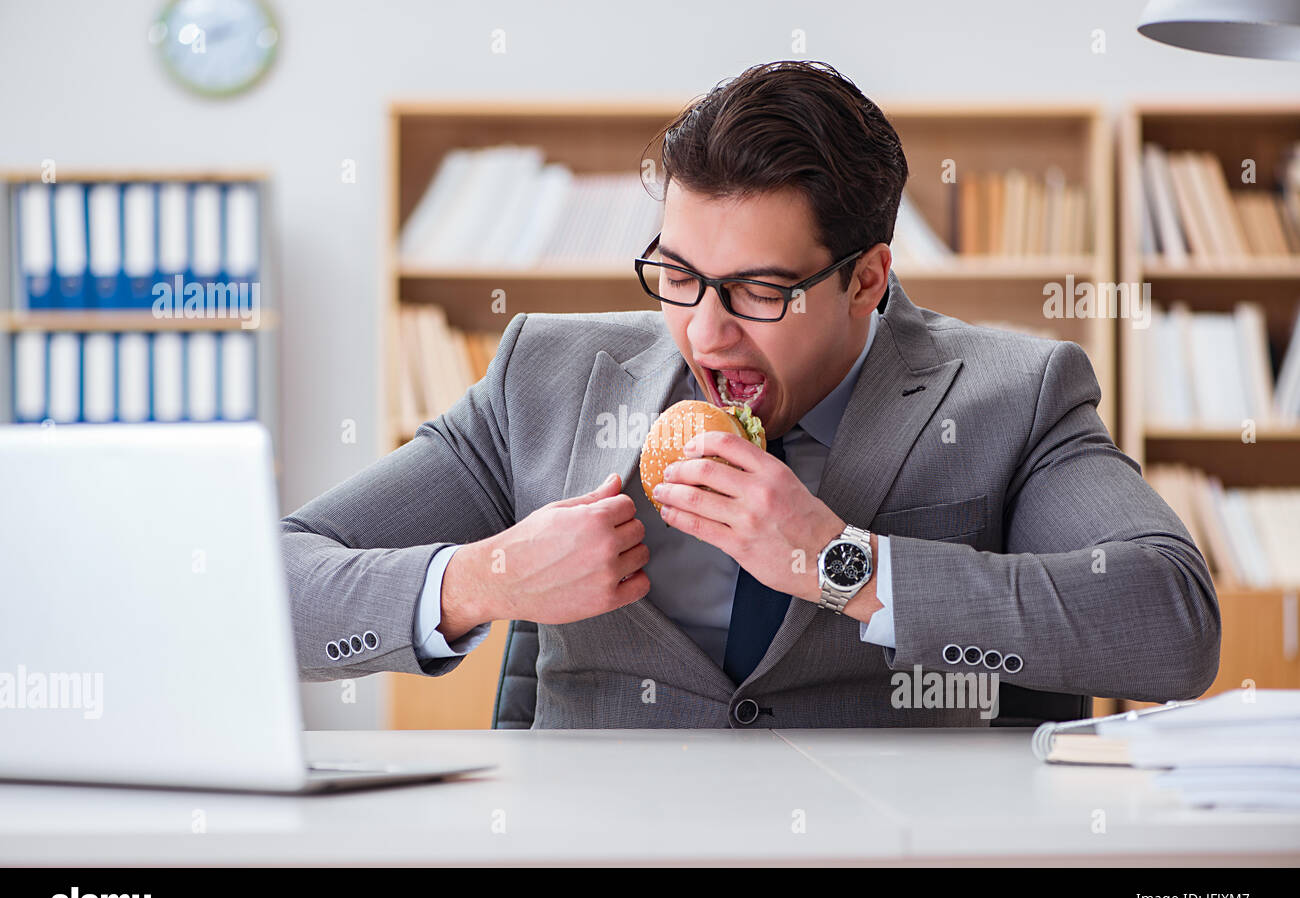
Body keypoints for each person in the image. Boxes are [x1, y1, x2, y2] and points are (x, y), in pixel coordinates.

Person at [281, 60, 1219, 729]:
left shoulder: (1015, 393)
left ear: (868, 278)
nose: (705, 330)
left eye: (761, 291)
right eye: (678, 275)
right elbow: (272, 584)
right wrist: (478, 581)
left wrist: (842, 565)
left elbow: (1172, 624)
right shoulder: (546, 377)